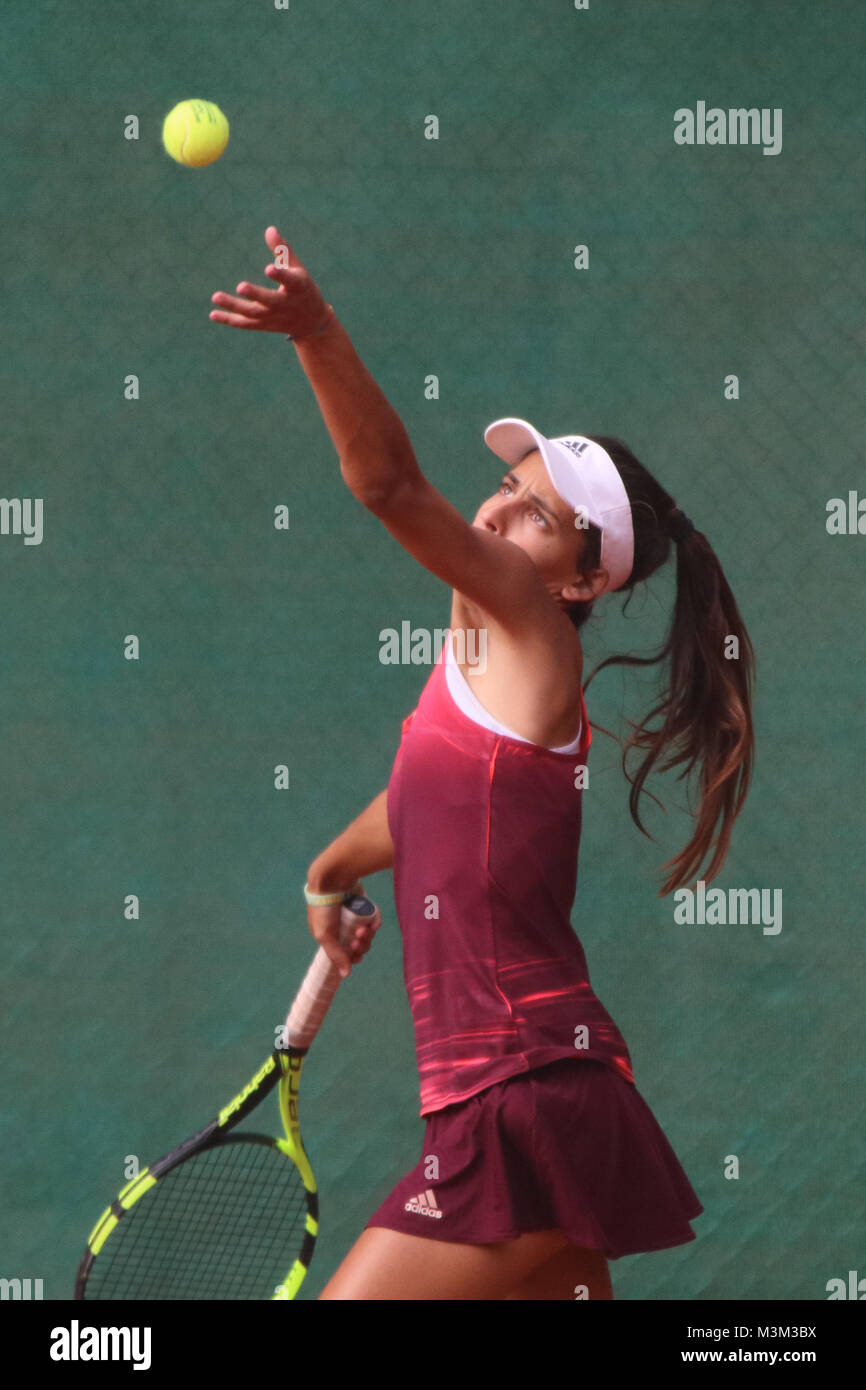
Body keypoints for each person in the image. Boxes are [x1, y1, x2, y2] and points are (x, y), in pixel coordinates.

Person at [210, 227, 756, 1300]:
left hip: (521, 1090)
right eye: (506, 483)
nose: (498, 510)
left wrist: (317, 331)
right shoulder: (473, 682)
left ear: (576, 583)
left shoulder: (530, 627)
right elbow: (424, 803)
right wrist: (329, 873)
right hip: (542, 1086)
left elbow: (389, 487)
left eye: (536, 516)